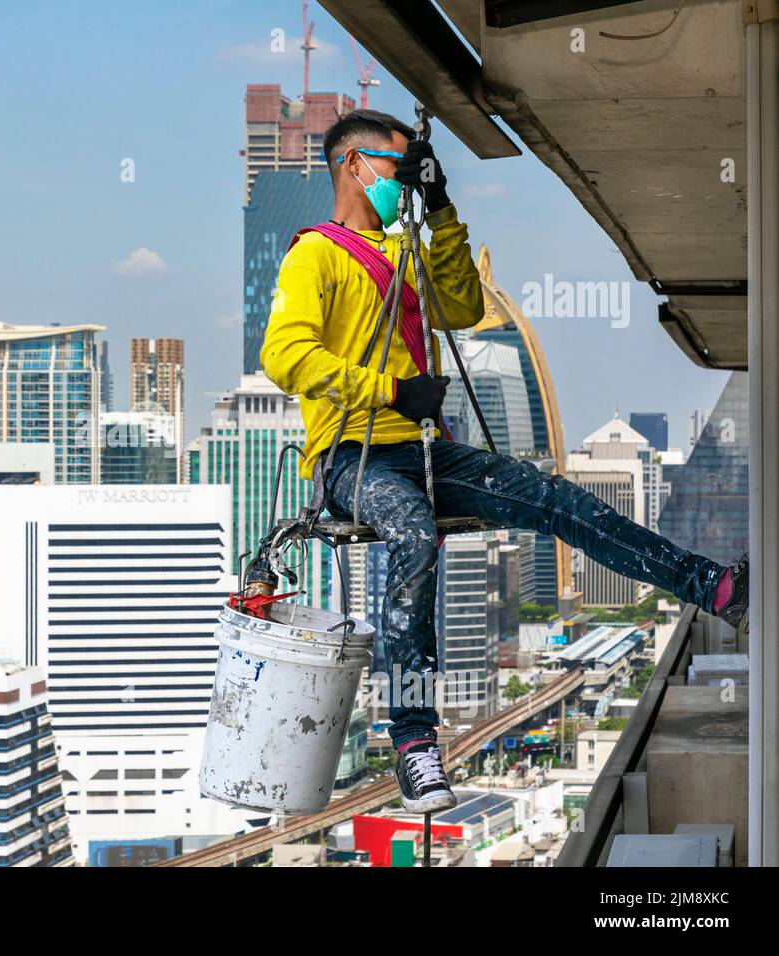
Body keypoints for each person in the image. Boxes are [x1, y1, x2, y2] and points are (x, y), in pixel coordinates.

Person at [258, 109, 749, 814]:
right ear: (354, 165)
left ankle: (710, 587)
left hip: (421, 449)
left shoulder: (407, 256)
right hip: (353, 456)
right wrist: (391, 389)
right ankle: (415, 741)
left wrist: (442, 211)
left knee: (554, 499)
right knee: (410, 534)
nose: (405, 178)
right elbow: (286, 355)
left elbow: (460, 306)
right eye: (398, 166)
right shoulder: (317, 256)